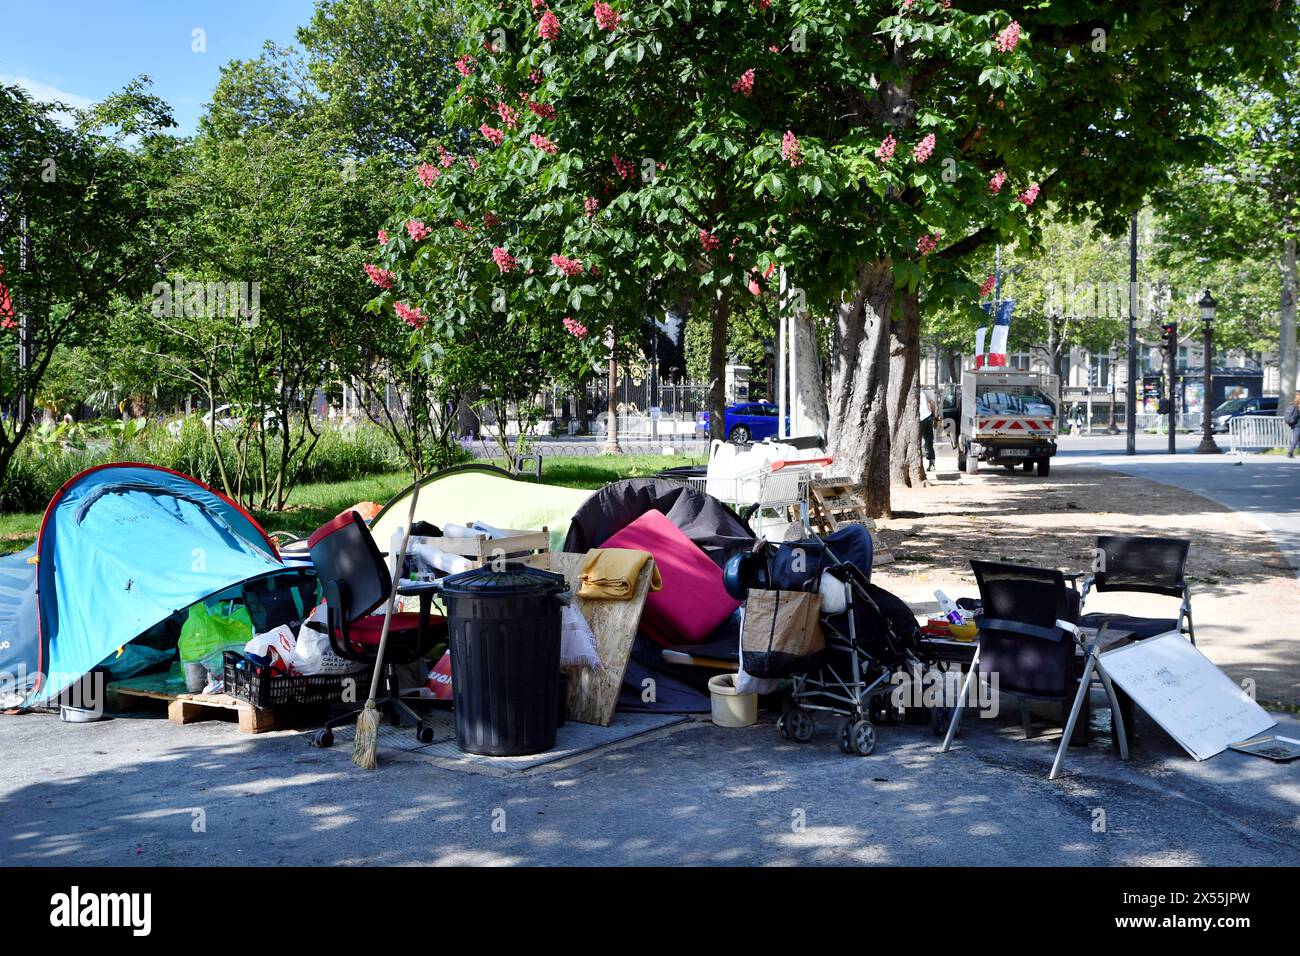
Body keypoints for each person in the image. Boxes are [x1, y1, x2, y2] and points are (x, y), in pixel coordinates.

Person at [919, 384, 937, 471]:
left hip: (920, 418)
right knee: (929, 441)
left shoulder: (916, 393)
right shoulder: (923, 392)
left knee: (917, 442)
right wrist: (934, 417)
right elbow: (932, 403)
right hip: (928, 417)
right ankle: (932, 462)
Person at [1286, 390, 1300, 458]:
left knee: (1297, 439)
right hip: (1298, 425)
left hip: (1295, 425)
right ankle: (1289, 452)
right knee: (1295, 439)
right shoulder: (1298, 405)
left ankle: (1290, 453)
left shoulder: (1293, 403)